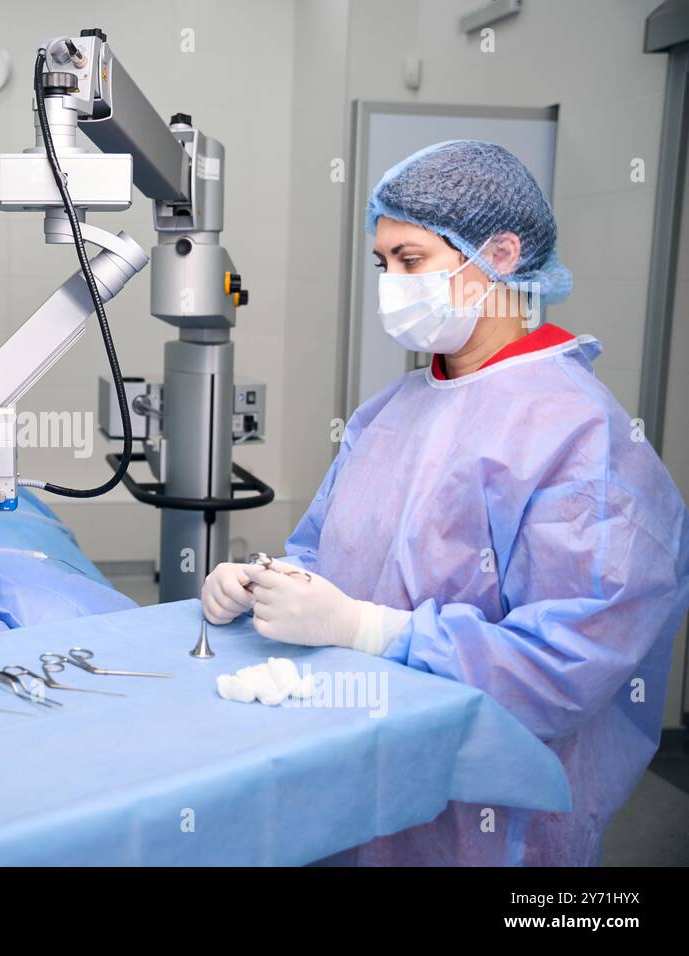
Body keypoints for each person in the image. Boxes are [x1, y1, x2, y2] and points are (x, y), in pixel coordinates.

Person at [202, 140, 689, 865]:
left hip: (480, 813)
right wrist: (266, 579)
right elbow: (326, 551)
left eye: (411, 259)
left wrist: (371, 629)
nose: (391, 283)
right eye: (383, 263)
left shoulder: (582, 435)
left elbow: (571, 663)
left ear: (499, 252)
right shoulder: (390, 410)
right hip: (356, 766)